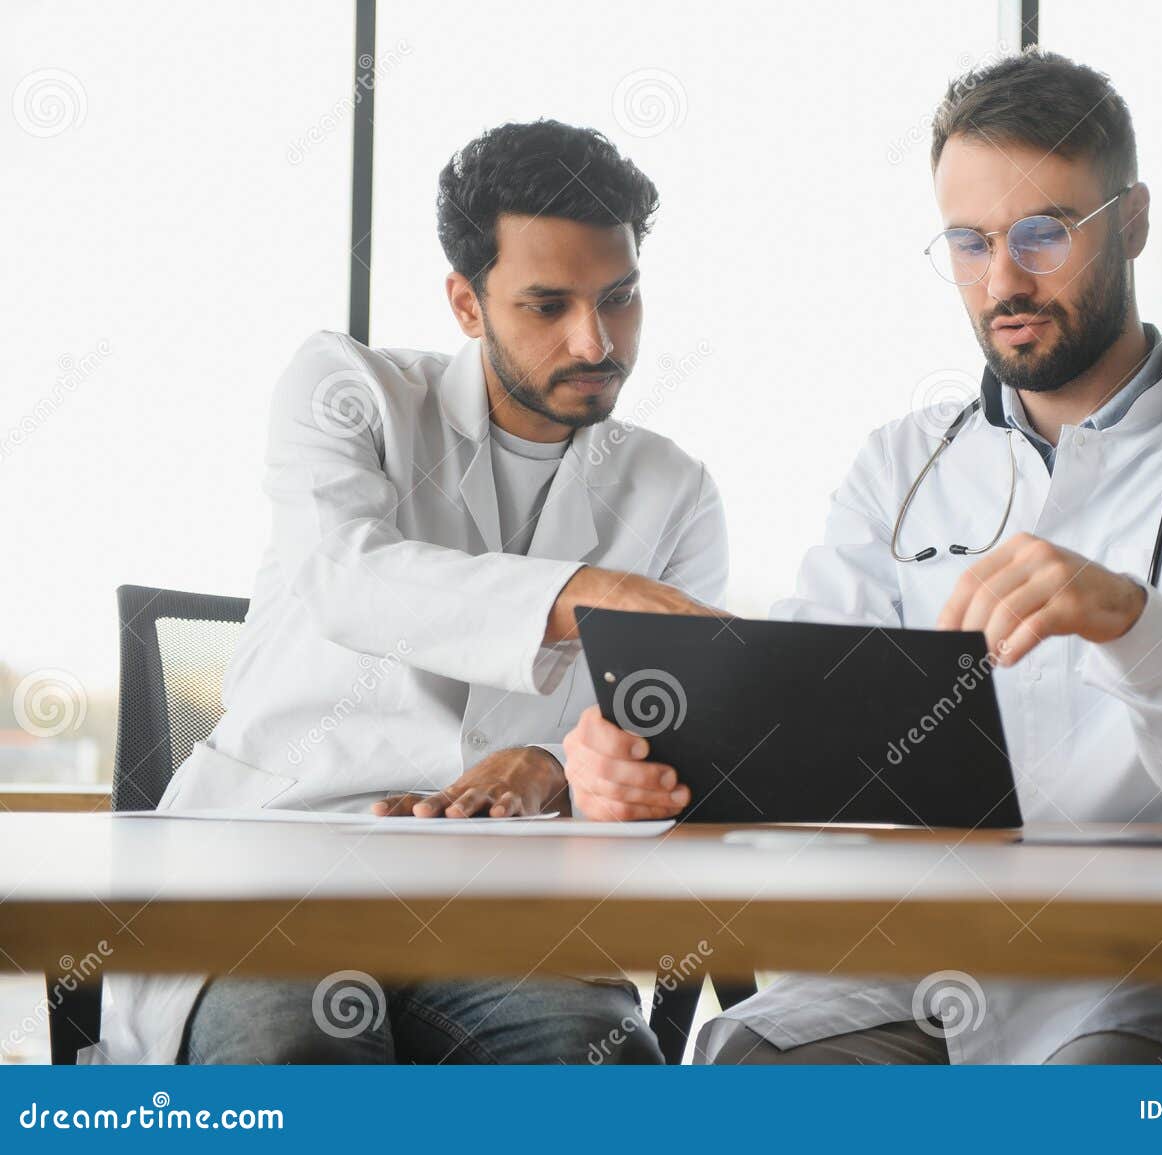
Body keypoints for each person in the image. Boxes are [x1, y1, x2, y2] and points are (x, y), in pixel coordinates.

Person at [559, 51, 1162, 1065]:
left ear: (1133, 222)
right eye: (969, 243)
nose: (1003, 280)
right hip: (902, 976)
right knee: (746, 1075)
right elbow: (784, 720)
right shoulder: (901, 464)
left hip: (1134, 989)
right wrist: (637, 763)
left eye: (1043, 233)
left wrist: (1129, 619)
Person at [89, 119, 724, 1065]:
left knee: (592, 1059)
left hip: (499, 898)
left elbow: (667, 730)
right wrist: (585, 592)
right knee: (296, 1056)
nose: (595, 339)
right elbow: (349, 579)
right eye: (547, 305)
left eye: (619, 298)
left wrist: (550, 765)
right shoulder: (349, 390)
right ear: (467, 303)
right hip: (278, 866)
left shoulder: (674, 489)